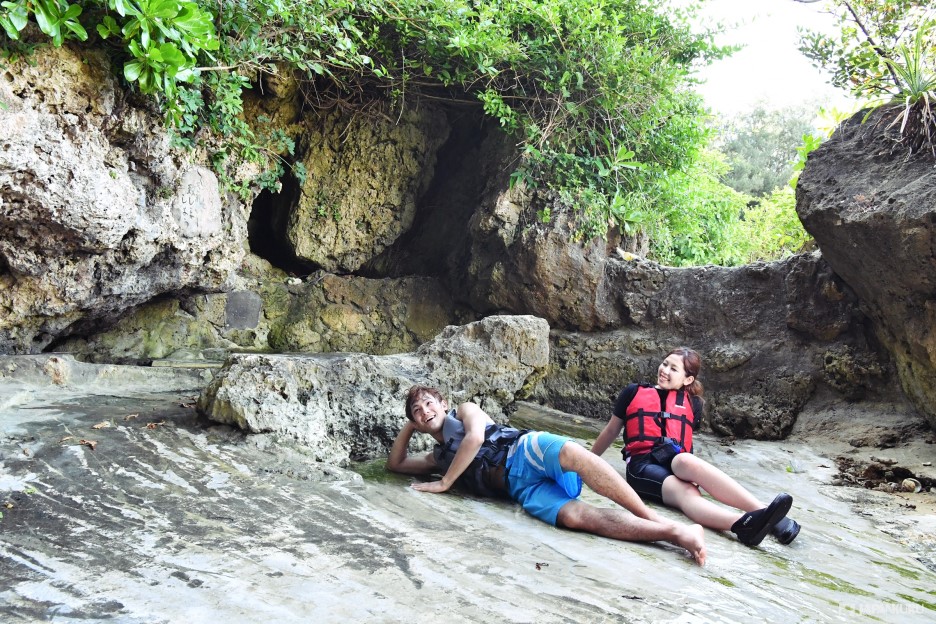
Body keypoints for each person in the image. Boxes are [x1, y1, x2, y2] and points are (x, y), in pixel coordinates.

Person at [387, 385, 707, 566]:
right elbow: (396, 465)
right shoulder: (437, 458)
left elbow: (475, 439)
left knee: (574, 455)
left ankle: (650, 517)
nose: (425, 411)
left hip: (525, 449)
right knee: (575, 517)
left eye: (429, 404)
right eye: (418, 411)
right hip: (521, 488)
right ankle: (676, 534)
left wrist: (445, 484)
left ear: (443, 403)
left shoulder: (466, 409)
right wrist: (410, 424)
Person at [590, 347, 801, 547]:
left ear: (688, 379)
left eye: (673, 369)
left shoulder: (694, 404)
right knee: (687, 492)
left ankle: (766, 514)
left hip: (674, 460)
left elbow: (683, 443)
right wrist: (587, 462)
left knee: (685, 459)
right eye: (664, 364)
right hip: (642, 465)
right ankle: (743, 524)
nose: (664, 371)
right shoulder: (633, 392)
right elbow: (611, 431)